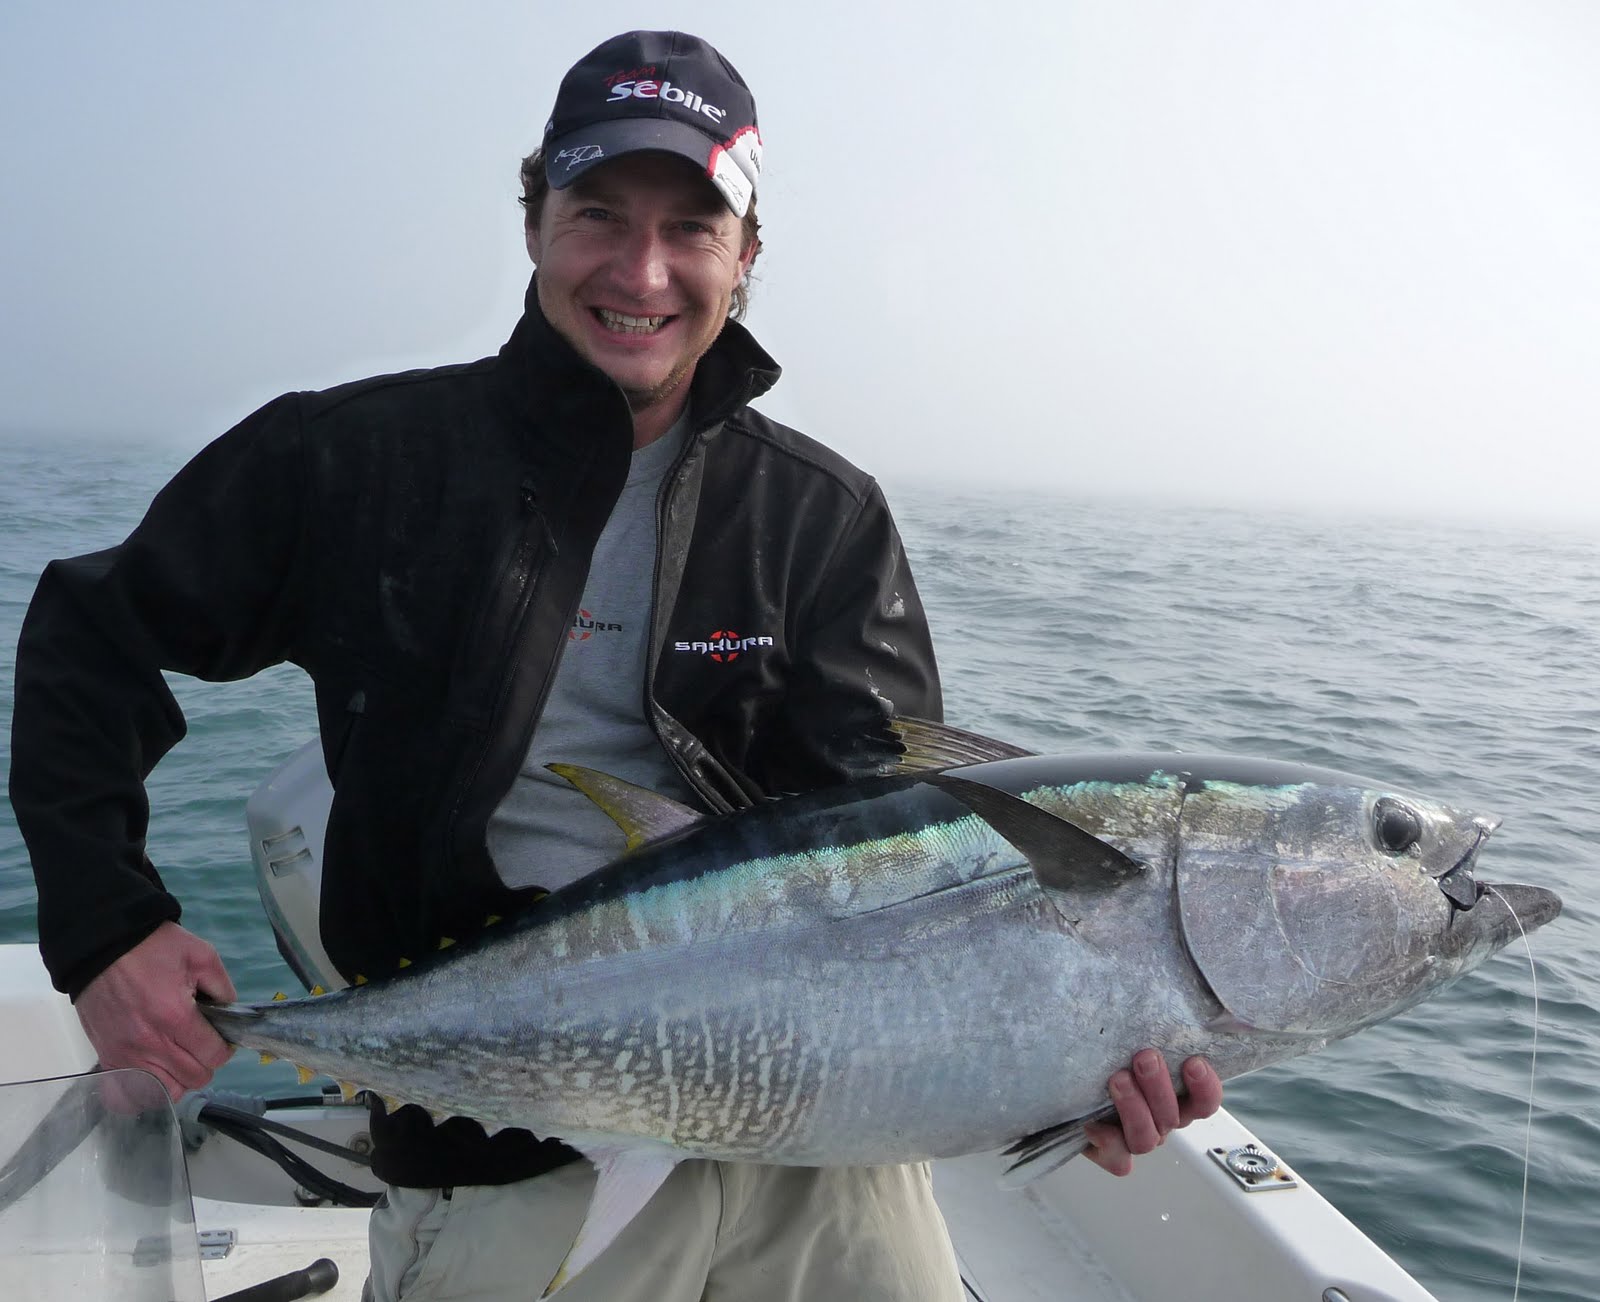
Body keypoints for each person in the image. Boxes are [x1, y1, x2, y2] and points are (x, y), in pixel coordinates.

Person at [9, 29, 1222, 1301]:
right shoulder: (356, 461)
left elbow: (894, 857)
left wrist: (1057, 1062)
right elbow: (93, 636)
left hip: (826, 1141)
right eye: (597, 213)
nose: (640, 270)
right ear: (534, 220)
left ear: (745, 258)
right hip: (508, 1135)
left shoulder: (821, 517)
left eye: (691, 228)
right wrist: (108, 926)